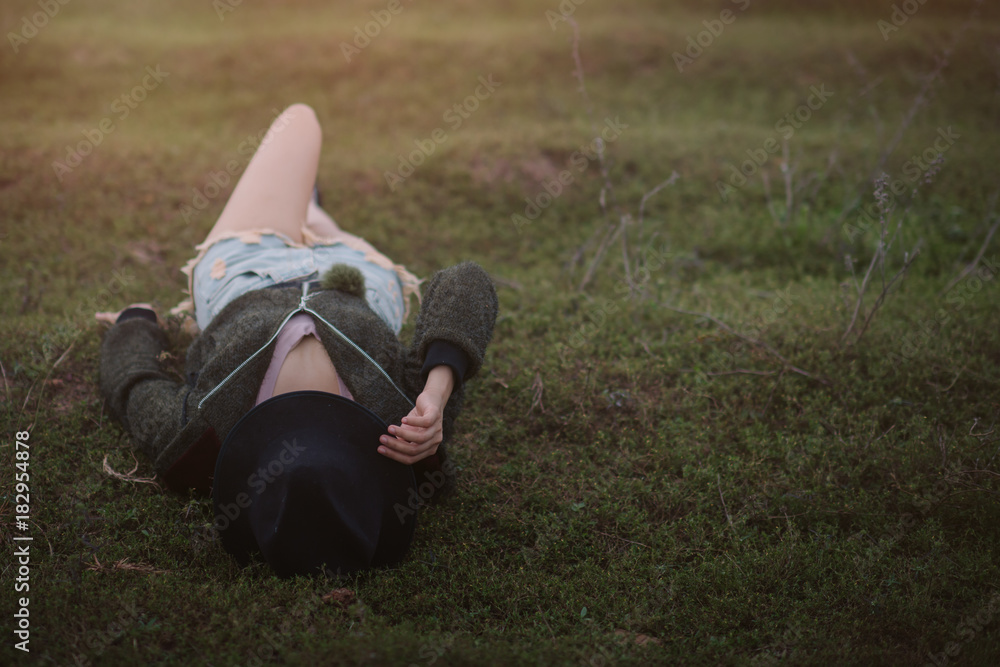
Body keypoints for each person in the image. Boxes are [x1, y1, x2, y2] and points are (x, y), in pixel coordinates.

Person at [97, 103, 498, 577]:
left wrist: (135, 319)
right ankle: (310, 208)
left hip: (248, 270)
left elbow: (134, 385)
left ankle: (301, 203)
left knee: (299, 122)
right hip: (357, 280)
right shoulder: (408, 435)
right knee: (319, 220)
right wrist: (436, 395)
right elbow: (465, 283)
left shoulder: (197, 447)